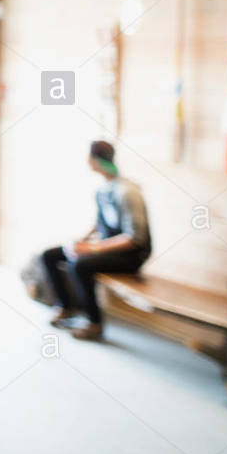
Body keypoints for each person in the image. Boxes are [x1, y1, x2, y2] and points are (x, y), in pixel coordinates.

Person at [37, 140, 152, 341]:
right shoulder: (103, 189)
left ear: (94, 160)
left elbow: (135, 239)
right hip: (106, 248)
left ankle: (94, 322)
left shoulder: (127, 192)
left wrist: (91, 248)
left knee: (79, 265)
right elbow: (100, 223)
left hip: (131, 256)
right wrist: (80, 242)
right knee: (50, 255)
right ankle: (65, 307)